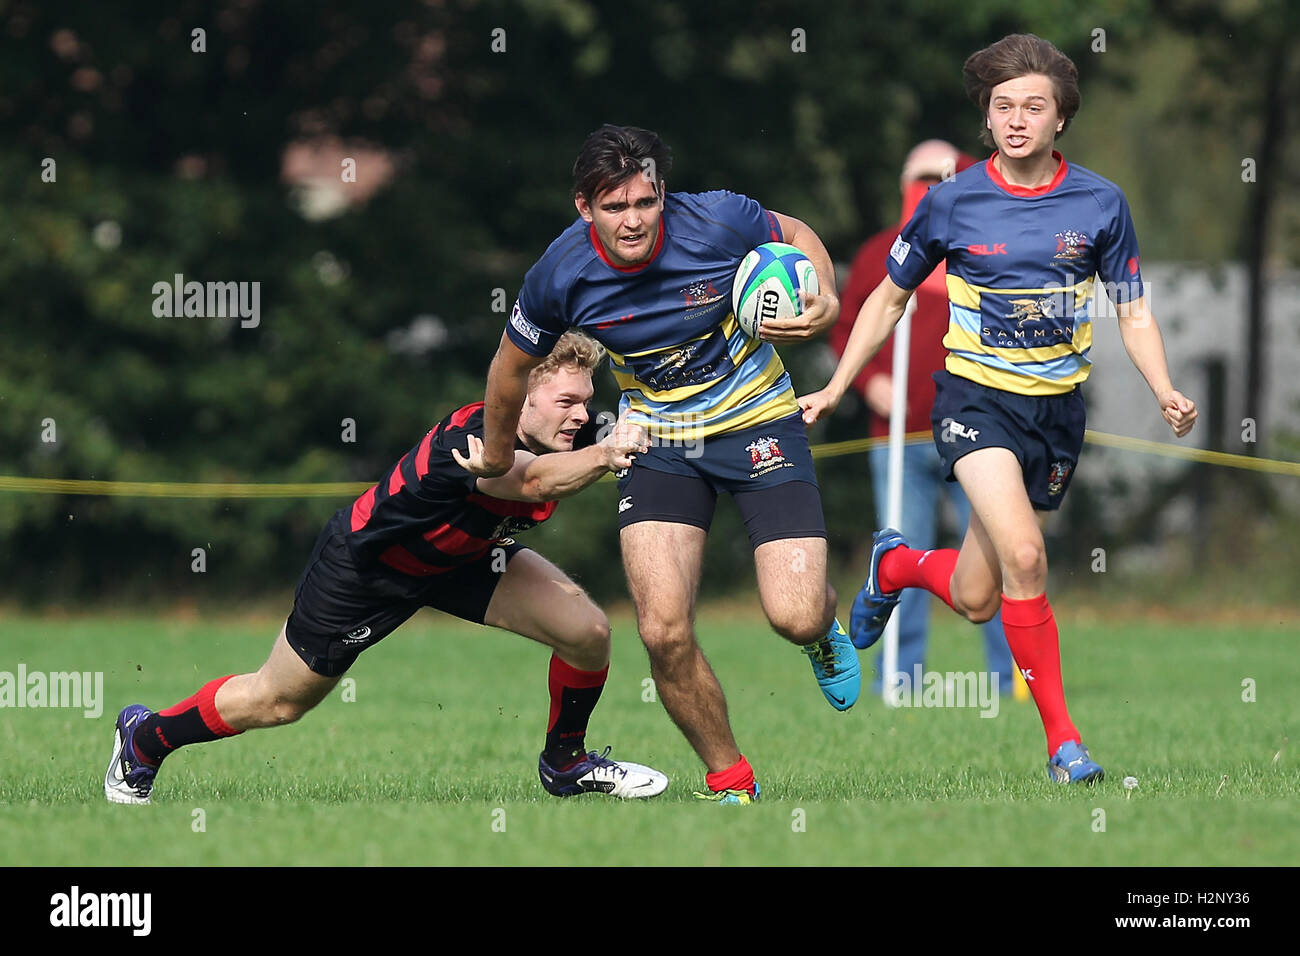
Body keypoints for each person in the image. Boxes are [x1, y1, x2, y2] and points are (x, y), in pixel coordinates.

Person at [800, 34, 1197, 784]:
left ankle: (899, 565)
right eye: (1002, 107)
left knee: (980, 597)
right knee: (1025, 558)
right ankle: (1064, 745)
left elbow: (1133, 310)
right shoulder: (952, 200)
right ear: (988, 117)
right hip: (974, 404)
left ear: (1060, 120)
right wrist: (836, 384)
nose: (1016, 120)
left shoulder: (1100, 202)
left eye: (1033, 107)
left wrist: (1165, 388)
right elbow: (886, 300)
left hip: (1056, 417)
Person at [459, 124, 856, 805]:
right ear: (585, 209)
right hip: (661, 440)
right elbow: (509, 367)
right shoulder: (560, 273)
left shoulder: (718, 219)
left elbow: (793, 232)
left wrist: (825, 298)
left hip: (760, 422)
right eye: (615, 208)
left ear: (663, 195)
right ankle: (732, 780)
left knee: (792, 615)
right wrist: (498, 454)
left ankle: (821, 632)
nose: (634, 220)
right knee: (662, 630)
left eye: (645, 203)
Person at [105, 332, 670, 805]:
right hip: (367, 570)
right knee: (277, 702)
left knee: (587, 632)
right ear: (519, 395)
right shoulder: (472, 440)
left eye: (584, 400)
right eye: (565, 402)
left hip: (464, 560)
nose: (579, 414)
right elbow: (535, 481)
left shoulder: (570, 427)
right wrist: (607, 452)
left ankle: (565, 765)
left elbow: (606, 428)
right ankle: (146, 740)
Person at [831, 139, 1016, 696]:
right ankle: (901, 681)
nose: (931, 187)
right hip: (897, 437)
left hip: (975, 433)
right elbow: (846, 331)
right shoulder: (876, 255)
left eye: (945, 176)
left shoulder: (986, 248)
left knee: (1002, 555)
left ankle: (1014, 680)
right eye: (921, 177)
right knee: (902, 555)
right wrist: (868, 382)